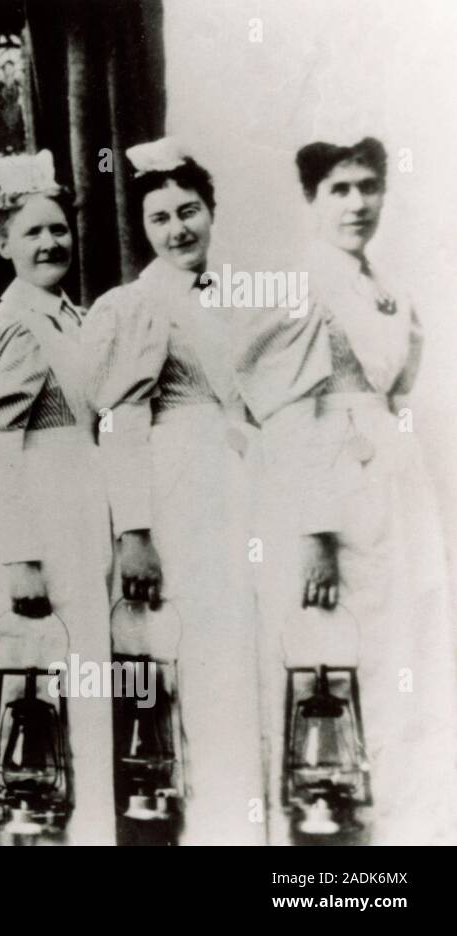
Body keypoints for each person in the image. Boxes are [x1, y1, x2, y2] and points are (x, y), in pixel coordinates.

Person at [233, 136, 457, 844]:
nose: (357, 203)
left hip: (395, 486)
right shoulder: (303, 287)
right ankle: (336, 854)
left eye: (368, 187)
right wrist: (313, 534)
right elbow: (288, 416)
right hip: (334, 504)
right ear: (312, 201)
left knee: (412, 657)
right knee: (343, 670)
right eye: (339, 190)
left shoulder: (384, 288)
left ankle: (411, 838)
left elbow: (394, 389)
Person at [83, 138, 264, 844]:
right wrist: (135, 531)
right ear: (145, 229)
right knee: (192, 664)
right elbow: (121, 420)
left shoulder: (232, 297)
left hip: (235, 487)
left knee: (236, 661)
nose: (177, 230)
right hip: (177, 495)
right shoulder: (138, 305)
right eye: (160, 220)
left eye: (188, 211)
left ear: (211, 210)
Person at [0, 151, 116, 845]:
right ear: (2, 243)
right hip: (27, 521)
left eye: (59, 229)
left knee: (83, 691)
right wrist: (20, 557)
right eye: (33, 232)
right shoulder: (7, 329)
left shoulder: (77, 319)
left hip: (80, 516)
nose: (50, 244)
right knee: (1, 694)